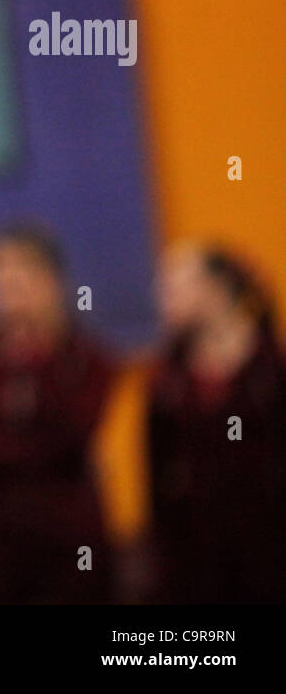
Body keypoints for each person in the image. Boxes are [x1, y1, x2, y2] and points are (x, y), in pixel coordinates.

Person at [0, 221, 118, 603]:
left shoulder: (84, 357)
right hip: (1, 537)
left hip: (73, 538)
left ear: (51, 280)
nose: (8, 286)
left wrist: (36, 357)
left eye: (20, 273)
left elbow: (71, 435)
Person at [145, 243, 285, 603]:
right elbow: (157, 476)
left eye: (176, 285)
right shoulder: (168, 380)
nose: (165, 297)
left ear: (216, 289)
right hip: (196, 557)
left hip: (268, 551)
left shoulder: (270, 371)